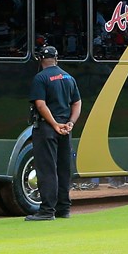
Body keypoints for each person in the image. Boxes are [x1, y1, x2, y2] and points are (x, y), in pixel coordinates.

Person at [25, 44, 81, 220]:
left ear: (41, 59)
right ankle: (63, 209)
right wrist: (70, 123)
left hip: (48, 128)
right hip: (65, 128)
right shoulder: (68, 77)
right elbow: (77, 103)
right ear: (57, 59)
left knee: (47, 169)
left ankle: (47, 211)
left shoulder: (40, 78)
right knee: (63, 169)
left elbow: (41, 105)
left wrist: (54, 124)